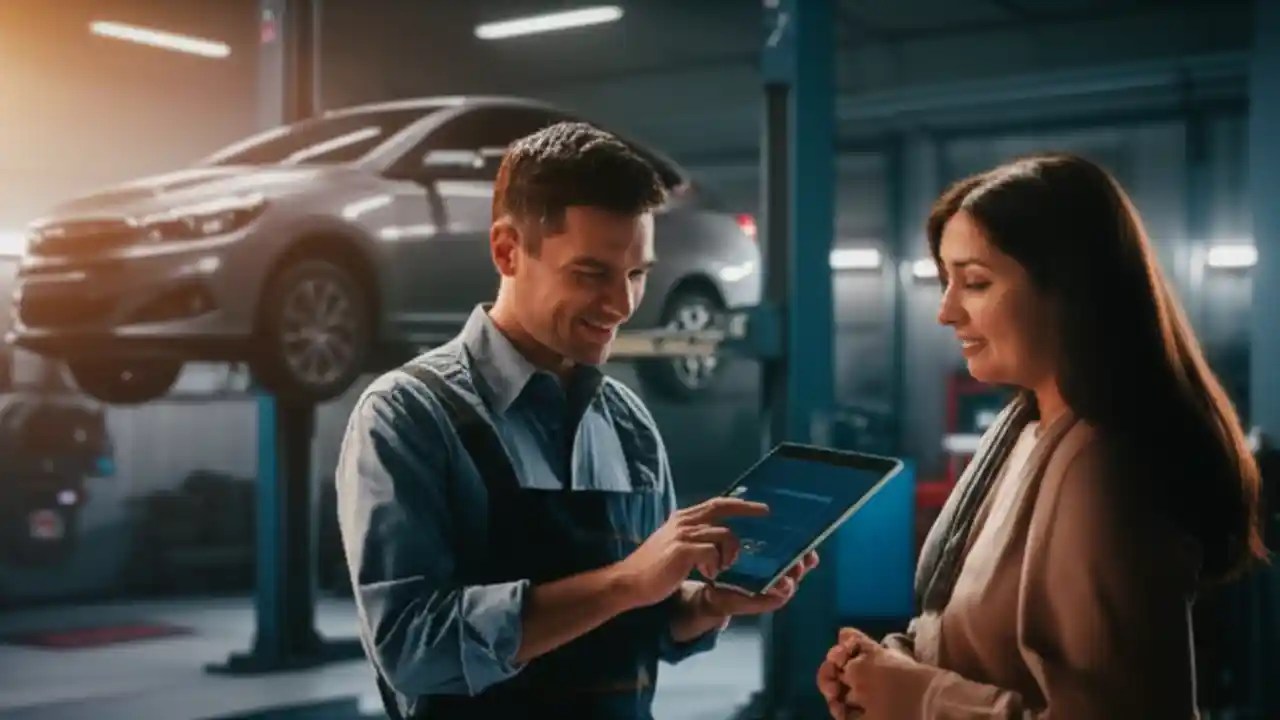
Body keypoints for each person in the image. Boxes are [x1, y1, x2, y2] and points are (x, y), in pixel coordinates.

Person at [335, 121, 819, 720]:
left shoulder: (628, 426)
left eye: (637, 274)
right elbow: (411, 650)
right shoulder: (409, 416)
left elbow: (642, 622)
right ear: (508, 250)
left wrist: (704, 604)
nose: (621, 305)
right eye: (591, 274)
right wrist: (625, 582)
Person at [817, 153, 1267, 719]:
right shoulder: (1018, 431)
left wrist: (919, 698)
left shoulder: (1104, 464)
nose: (946, 312)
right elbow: (977, 636)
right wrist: (886, 668)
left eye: (975, 282)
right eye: (946, 280)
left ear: (1070, 289)